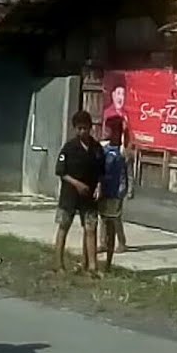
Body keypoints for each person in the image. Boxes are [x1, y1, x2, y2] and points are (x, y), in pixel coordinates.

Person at [54, 110, 104, 274]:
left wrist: (99, 186)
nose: (83, 131)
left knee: (90, 229)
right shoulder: (69, 148)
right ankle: (59, 264)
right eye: (79, 128)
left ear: (90, 128)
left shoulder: (97, 149)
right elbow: (60, 171)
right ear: (75, 129)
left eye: (85, 128)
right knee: (64, 227)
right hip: (69, 195)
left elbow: (101, 172)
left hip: (89, 197)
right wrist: (77, 184)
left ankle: (91, 266)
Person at [98, 118, 130, 270]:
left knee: (115, 217)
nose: (106, 132)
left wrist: (125, 190)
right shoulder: (103, 148)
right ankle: (103, 242)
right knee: (103, 217)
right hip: (105, 187)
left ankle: (122, 242)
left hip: (117, 189)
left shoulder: (122, 150)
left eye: (109, 130)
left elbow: (126, 172)